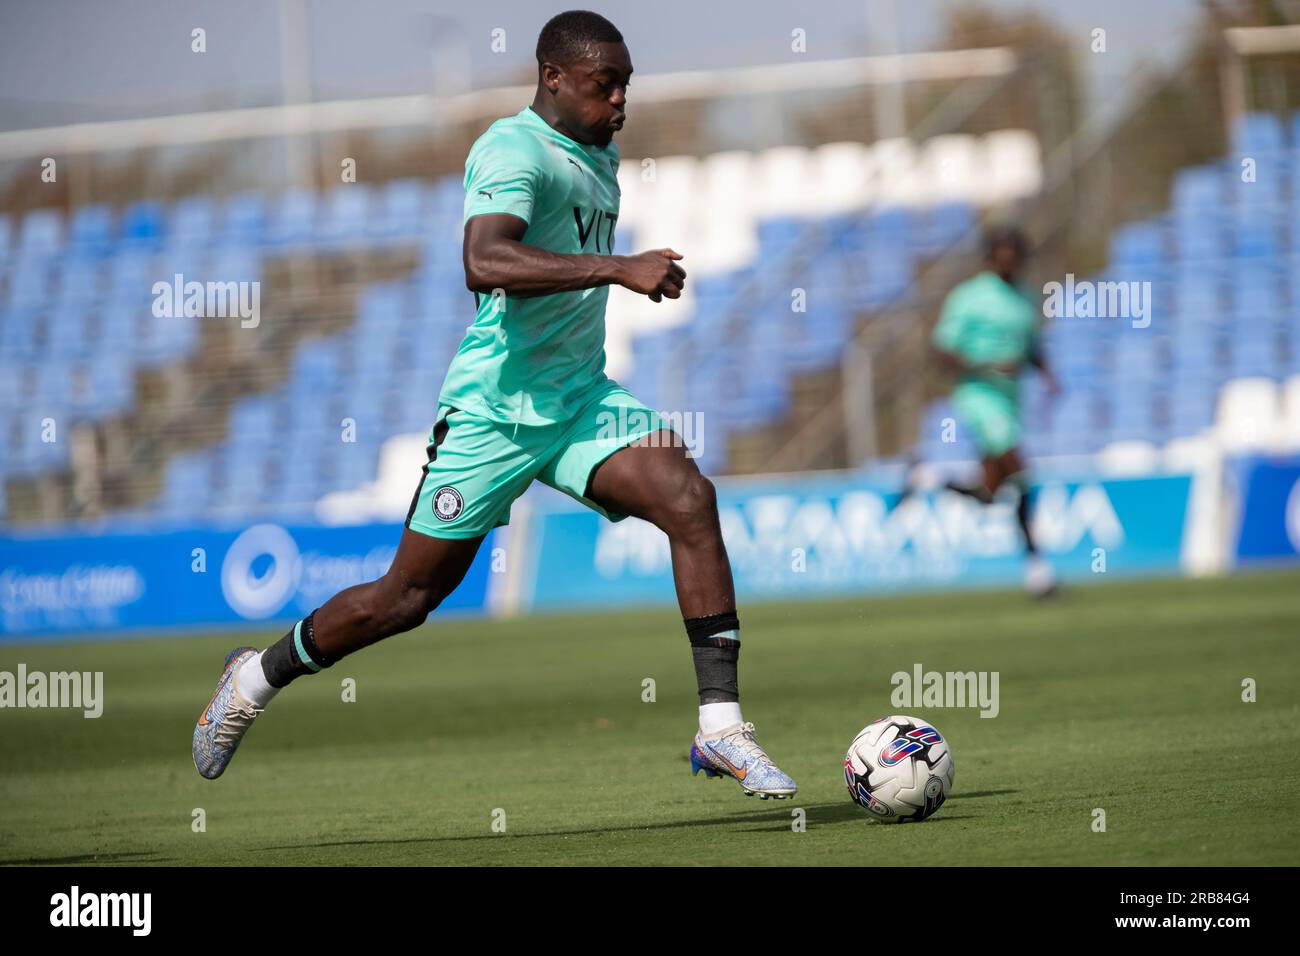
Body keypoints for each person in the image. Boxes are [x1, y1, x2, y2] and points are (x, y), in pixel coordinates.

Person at [192, 10, 797, 800]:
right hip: (496, 414)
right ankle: (253, 681)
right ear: (552, 77)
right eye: (602, 85)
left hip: (579, 400)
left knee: (690, 499)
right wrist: (617, 268)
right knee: (401, 601)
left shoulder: (597, 149)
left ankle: (721, 729)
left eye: (626, 86)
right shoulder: (512, 149)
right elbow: (484, 261)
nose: (620, 101)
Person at [929, 225, 1060, 597]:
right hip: (978, 396)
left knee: (991, 492)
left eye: (1015, 258)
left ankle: (931, 479)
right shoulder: (969, 298)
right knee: (1021, 474)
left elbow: (1030, 344)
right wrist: (988, 367)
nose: (1009, 264)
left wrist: (1047, 373)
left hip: (1011, 398)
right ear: (990, 258)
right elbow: (941, 352)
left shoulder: (1027, 298)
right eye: (1002, 257)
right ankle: (1040, 572)